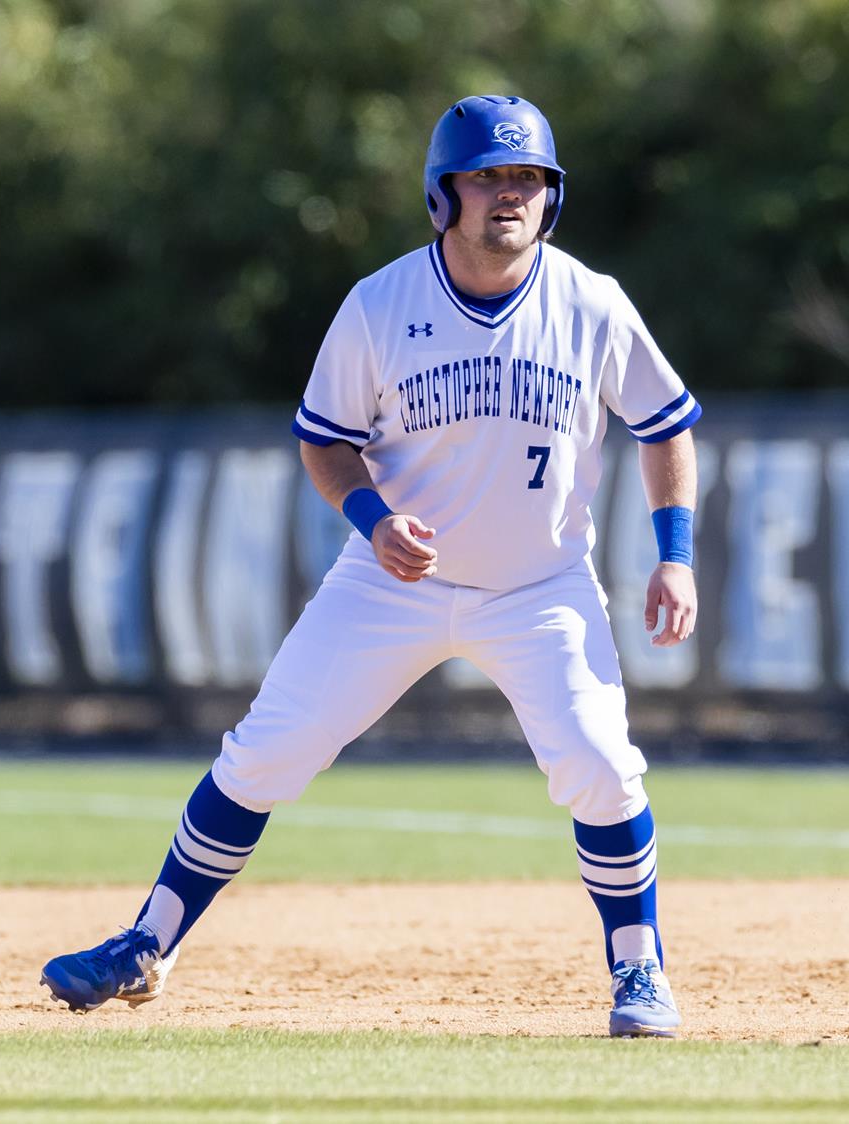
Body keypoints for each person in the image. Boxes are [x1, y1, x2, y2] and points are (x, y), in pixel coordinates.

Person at [42, 93, 702, 1038]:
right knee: (264, 752)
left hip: (540, 588)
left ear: (552, 197)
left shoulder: (591, 303)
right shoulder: (381, 305)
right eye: (488, 176)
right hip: (393, 583)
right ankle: (147, 942)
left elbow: (666, 426)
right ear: (443, 194)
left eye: (529, 178)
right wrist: (372, 516)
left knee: (601, 765)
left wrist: (675, 557)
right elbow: (325, 441)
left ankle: (640, 972)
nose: (510, 194)